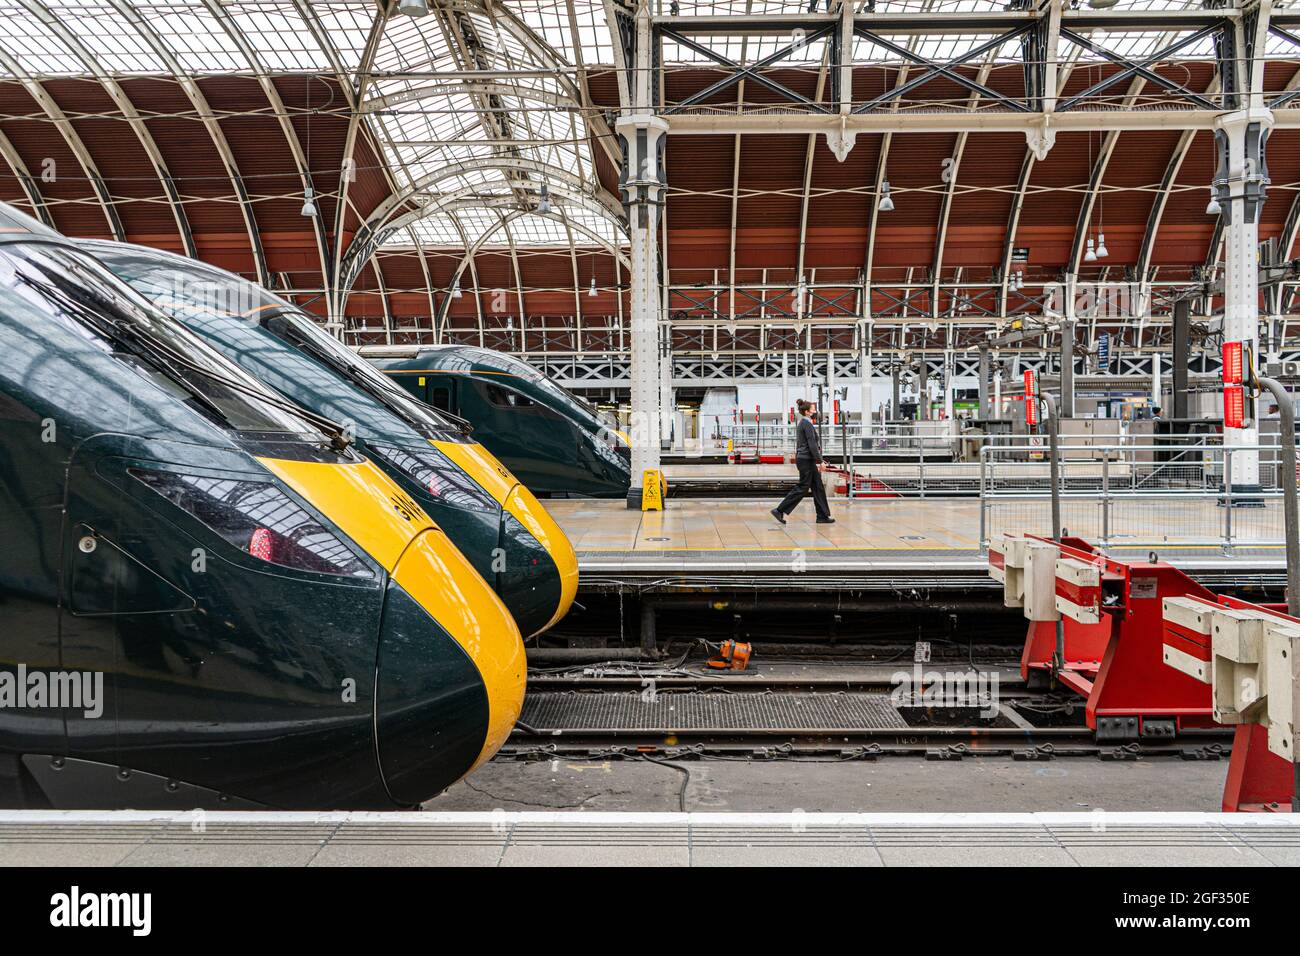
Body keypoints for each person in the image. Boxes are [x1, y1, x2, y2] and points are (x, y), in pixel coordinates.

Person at [771, 398, 835, 524]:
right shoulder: (806, 424)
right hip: (806, 460)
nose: (815, 410)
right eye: (813, 409)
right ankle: (779, 510)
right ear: (807, 412)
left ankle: (822, 516)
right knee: (803, 487)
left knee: (818, 487)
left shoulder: (805, 423)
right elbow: (812, 444)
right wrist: (820, 461)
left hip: (806, 459)